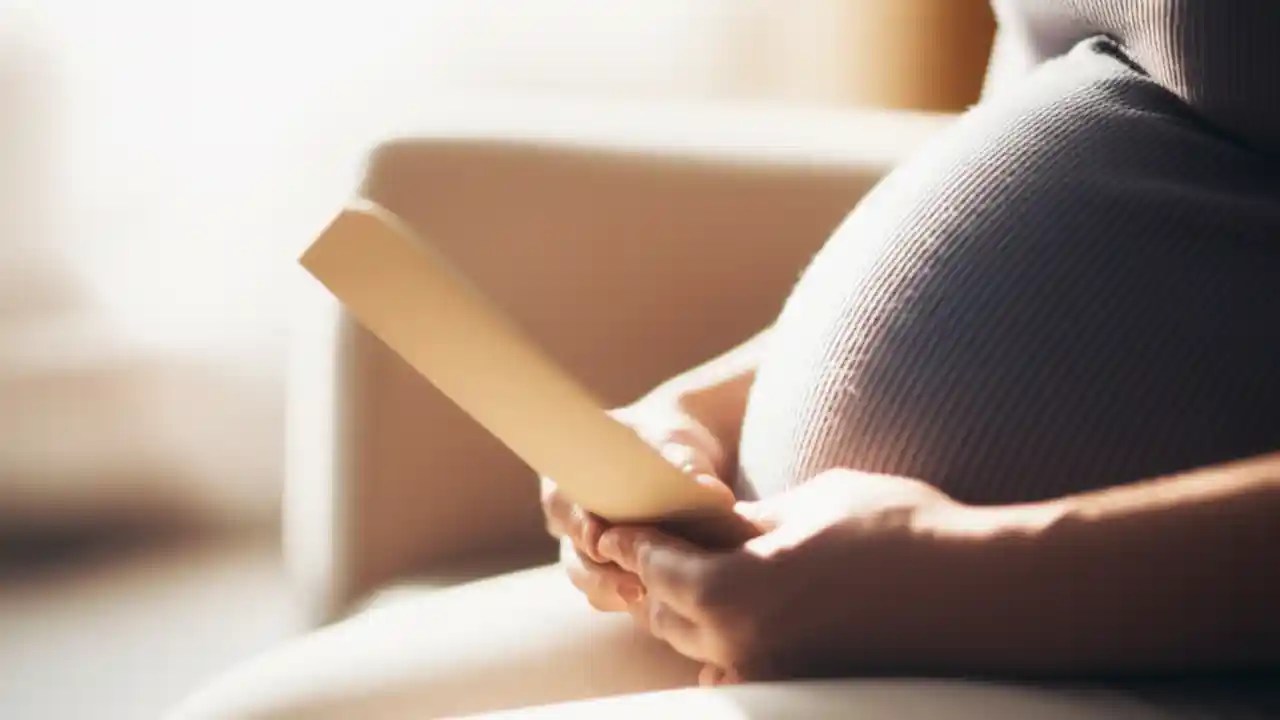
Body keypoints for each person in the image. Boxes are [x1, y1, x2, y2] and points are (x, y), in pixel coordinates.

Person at [176, 0, 1279, 717]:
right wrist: (695, 412)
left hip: (1138, 636)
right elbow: (1074, 146)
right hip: (826, 591)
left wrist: (965, 576)